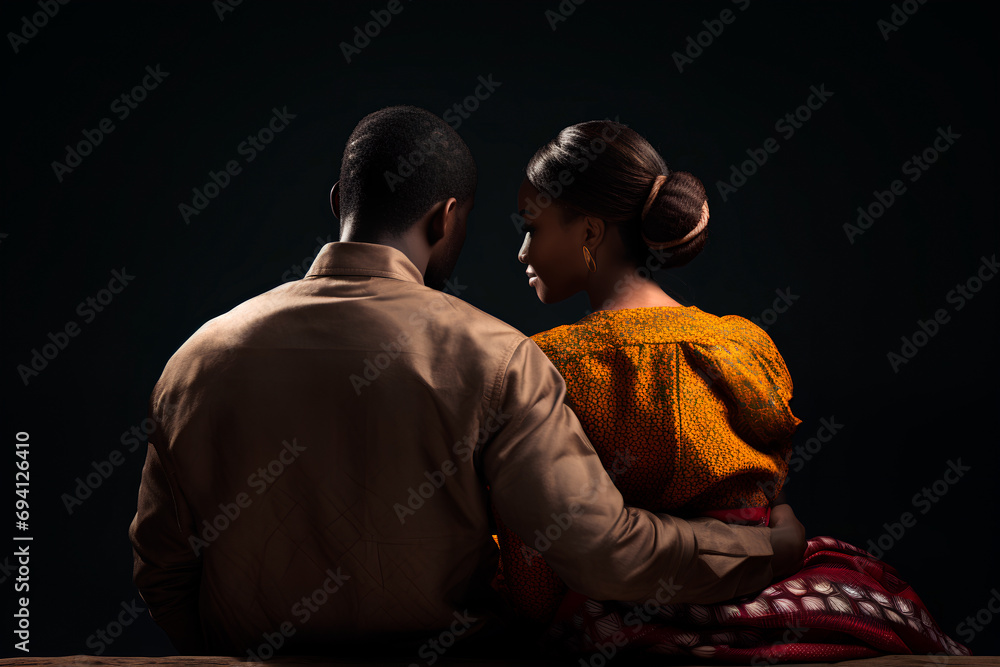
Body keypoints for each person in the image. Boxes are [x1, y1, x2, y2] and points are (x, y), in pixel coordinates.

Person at [127, 106, 808, 658]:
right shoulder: (497, 357)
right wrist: (758, 547)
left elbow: (162, 569)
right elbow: (603, 550)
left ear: (339, 201)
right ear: (446, 217)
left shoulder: (196, 359)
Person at [496, 119, 971, 661]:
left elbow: (534, 569)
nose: (521, 252)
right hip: (781, 592)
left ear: (588, 231)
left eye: (532, 227)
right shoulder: (742, 345)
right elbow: (772, 497)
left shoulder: (551, 365)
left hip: (628, 608)